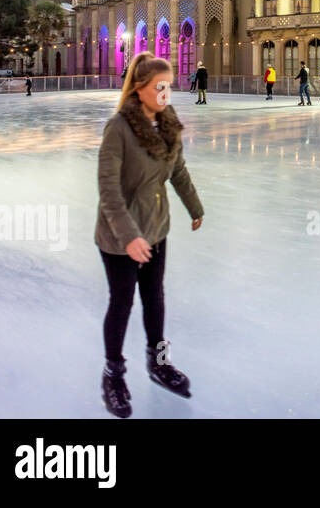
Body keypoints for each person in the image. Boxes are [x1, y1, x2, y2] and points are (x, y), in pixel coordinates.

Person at [95, 52, 205, 418]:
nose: (165, 94)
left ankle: (158, 364)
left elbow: (179, 172)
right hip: (119, 236)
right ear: (140, 89)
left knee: (155, 300)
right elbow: (108, 189)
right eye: (159, 87)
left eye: (169, 87)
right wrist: (128, 236)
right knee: (123, 302)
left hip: (156, 229)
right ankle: (113, 374)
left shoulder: (169, 125)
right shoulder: (119, 128)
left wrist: (195, 207)